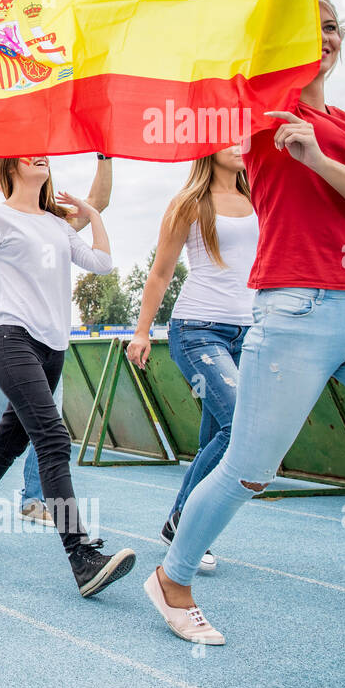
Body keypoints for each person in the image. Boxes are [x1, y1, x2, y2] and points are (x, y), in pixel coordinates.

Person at [143, 0, 345, 646]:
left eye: (332, 28)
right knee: (250, 468)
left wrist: (323, 159)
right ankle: (172, 578)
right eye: (308, 23)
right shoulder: (262, 116)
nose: (320, 32)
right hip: (295, 313)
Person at [0, 157, 138, 598]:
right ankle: (82, 555)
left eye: (42, 150)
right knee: (54, 439)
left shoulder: (58, 226)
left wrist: (94, 215)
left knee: (10, 439)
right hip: (10, 338)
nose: (38, 154)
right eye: (26, 151)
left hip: (54, 348)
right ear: (9, 168)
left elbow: (101, 263)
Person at [126, 146, 256, 573]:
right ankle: (182, 521)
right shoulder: (188, 203)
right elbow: (161, 272)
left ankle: (190, 528)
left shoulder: (258, 194)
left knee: (215, 436)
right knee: (238, 426)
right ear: (209, 148)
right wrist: (142, 331)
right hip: (198, 330)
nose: (242, 146)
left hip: (250, 331)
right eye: (231, 140)